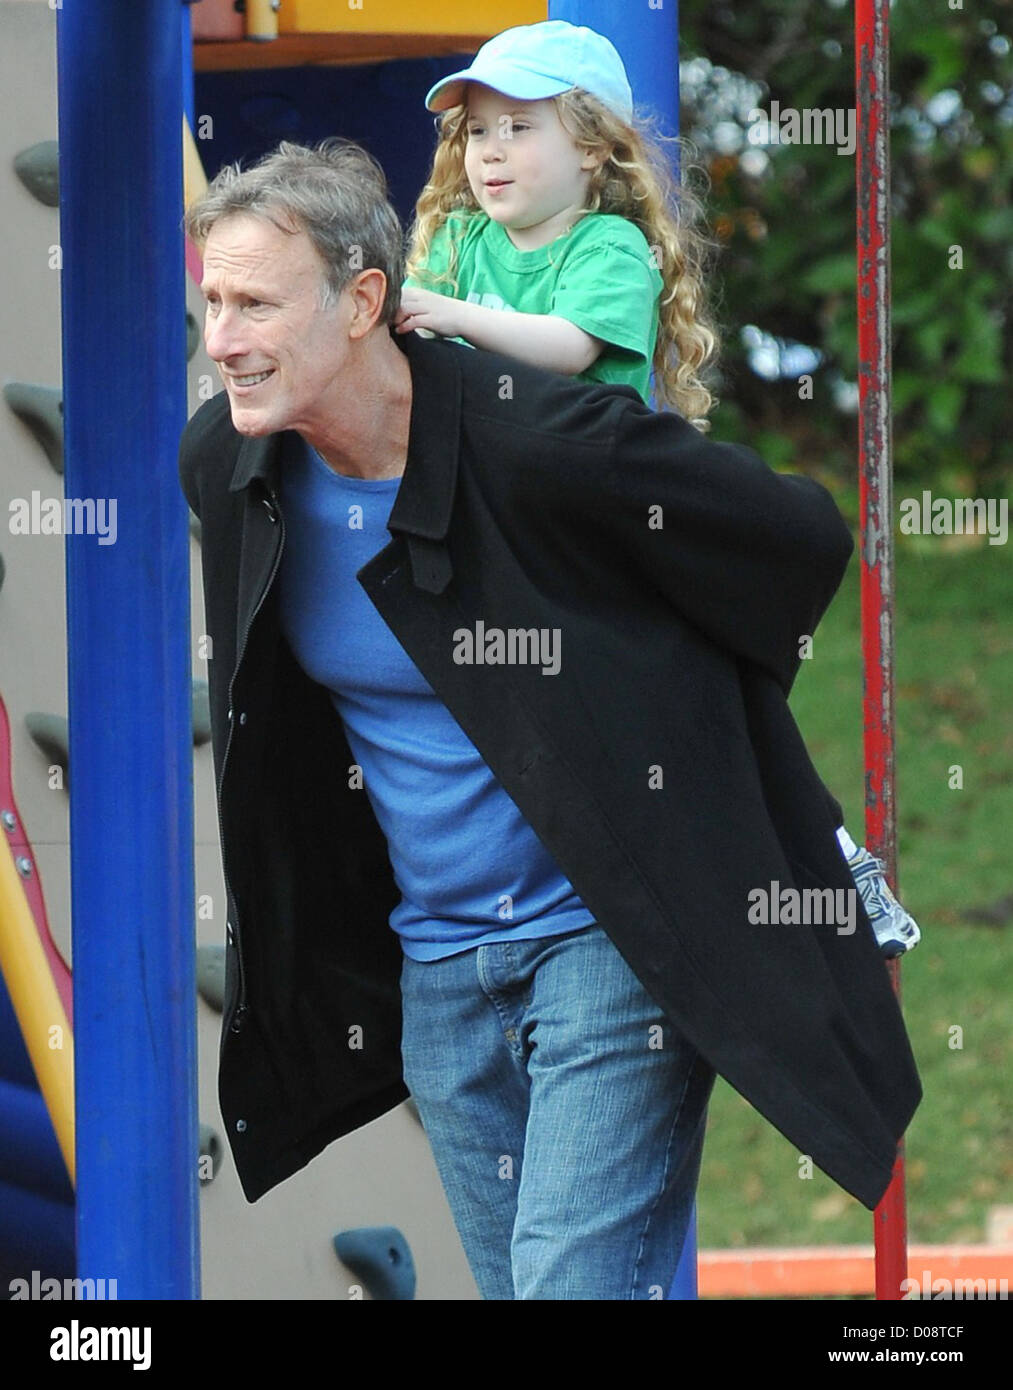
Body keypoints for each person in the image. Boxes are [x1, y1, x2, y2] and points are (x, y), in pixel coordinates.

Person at [178, 136, 921, 1300]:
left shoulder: (531, 438)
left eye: (257, 304)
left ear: (365, 301)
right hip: (439, 970)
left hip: (606, 942)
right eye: (213, 300)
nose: (221, 339)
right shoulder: (228, 464)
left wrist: (711, 748)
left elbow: (790, 536)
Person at [398, 19, 920, 958]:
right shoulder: (457, 242)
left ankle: (831, 859)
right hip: (512, 522)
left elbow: (567, 351)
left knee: (706, 691)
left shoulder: (606, 248)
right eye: (478, 132)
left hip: (609, 514)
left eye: (521, 127)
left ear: (592, 148)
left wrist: (448, 317)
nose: (491, 152)